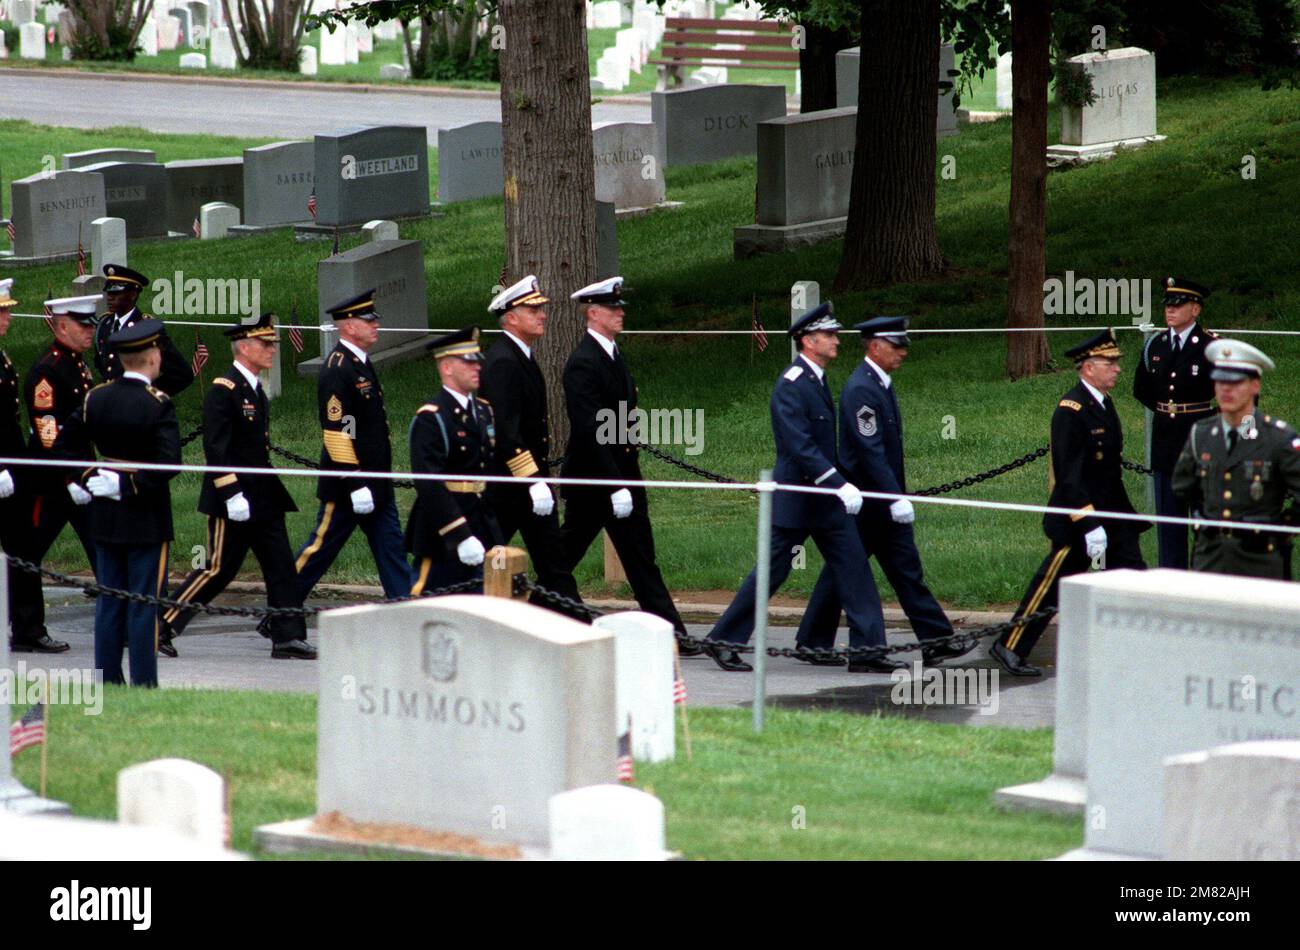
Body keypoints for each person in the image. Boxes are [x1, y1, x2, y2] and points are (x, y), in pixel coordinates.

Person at [703, 303, 896, 674]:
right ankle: (723, 640)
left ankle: (868, 651)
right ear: (809, 341)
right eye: (830, 335)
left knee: (855, 570)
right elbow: (800, 446)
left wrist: (839, 487)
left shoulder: (816, 379)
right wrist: (839, 484)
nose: (837, 341)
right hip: (799, 499)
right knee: (771, 574)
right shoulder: (791, 384)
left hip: (825, 504)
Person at [796, 317, 974, 667]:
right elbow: (869, 450)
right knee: (853, 570)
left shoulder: (877, 383)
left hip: (877, 500)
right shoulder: (862, 388)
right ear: (874, 346)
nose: (902, 352)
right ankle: (827, 642)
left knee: (893, 569)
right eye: (896, 346)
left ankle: (933, 640)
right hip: (870, 502)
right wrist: (894, 497)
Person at [991, 329, 1149, 677]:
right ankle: (1009, 645)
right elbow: (1069, 474)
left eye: (1116, 363)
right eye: (1109, 363)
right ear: (1088, 367)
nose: (1117, 369)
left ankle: (1143, 651)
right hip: (1080, 520)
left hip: (1113, 515)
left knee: (1135, 578)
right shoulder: (1071, 409)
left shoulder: (1104, 405)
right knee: (1050, 588)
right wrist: (1089, 523)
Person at [159, 313, 316, 660]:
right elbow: (216, 448)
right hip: (233, 498)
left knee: (280, 566)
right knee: (218, 569)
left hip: (263, 497)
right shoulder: (223, 390)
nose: (272, 349)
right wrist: (231, 493)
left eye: (273, 343)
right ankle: (162, 624)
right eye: (265, 343)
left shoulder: (253, 389)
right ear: (244, 347)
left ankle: (288, 636)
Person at [558, 277, 693, 647]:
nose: (620, 314)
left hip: (621, 475)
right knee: (564, 557)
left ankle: (672, 633)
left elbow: (621, 420)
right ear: (593, 312)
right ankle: (538, 610)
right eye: (613, 309)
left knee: (640, 558)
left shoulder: (612, 354)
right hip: (594, 481)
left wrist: (627, 478)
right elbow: (590, 429)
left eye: (620, 308)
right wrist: (615, 484)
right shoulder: (583, 363)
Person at [56, 320, 179, 687]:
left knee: (109, 602)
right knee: (142, 604)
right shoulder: (157, 404)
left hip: (105, 517)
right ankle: (144, 684)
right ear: (153, 357)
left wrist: (90, 478)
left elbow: (62, 447)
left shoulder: (97, 397)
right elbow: (169, 463)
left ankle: (109, 681)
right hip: (146, 519)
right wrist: (129, 484)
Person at [290, 290, 413, 602]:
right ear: (347, 326)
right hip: (347, 486)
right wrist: (356, 482)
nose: (376, 324)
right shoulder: (338, 368)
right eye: (367, 319)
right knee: (319, 551)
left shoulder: (360, 363)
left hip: (376, 482)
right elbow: (337, 431)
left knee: (392, 550)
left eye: (375, 318)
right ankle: (279, 608)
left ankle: (407, 614)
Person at [479, 275, 587, 619]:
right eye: (532, 308)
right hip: (508, 485)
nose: (542, 314)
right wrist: (532, 479)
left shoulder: (519, 357)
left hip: (524, 483)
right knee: (475, 561)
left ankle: (576, 621)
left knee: (553, 561)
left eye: (541, 308)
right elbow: (506, 432)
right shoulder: (503, 363)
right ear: (510, 317)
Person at [8, 295, 103, 654]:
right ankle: (27, 629)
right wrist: (69, 478)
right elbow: (47, 432)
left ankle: (122, 624)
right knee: (27, 554)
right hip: (51, 483)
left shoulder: (78, 364)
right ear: (62, 325)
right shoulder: (47, 369)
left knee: (102, 546)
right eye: (83, 324)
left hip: (80, 475)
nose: (90, 331)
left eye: (92, 324)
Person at [1172, 340, 1300, 579]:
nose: (1226, 390)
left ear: (1255, 385)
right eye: (1221, 382)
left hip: (1259, 559)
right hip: (1210, 556)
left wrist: (1281, 527)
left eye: (1235, 383)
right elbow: (1183, 486)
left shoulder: (1277, 438)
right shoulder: (1201, 433)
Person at [405, 327, 502, 594]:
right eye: (468, 362)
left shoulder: (483, 411)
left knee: (485, 604)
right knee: (428, 602)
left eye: (477, 361)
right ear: (447, 367)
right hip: (444, 531)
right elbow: (429, 484)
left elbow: (488, 470)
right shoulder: (432, 417)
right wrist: (459, 535)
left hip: (481, 522)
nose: (477, 367)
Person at [1133, 277, 1217, 568]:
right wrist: (1169, 411)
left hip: (1200, 443)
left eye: (1178, 305)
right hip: (1166, 446)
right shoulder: (1156, 345)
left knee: (1207, 524)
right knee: (1169, 525)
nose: (1170, 310)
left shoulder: (1211, 347)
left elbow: (1239, 397)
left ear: (1195, 309)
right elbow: (1141, 388)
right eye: (1168, 304)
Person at [0, 279, 41, 651]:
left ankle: (26, 628)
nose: (8, 317)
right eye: (2, 312)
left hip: (12, 465)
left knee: (23, 546)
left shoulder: (2, 357)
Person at [92, 265, 194, 396]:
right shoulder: (104, 325)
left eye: (116, 293)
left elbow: (182, 373)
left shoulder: (146, 329)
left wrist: (148, 394)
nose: (110, 297)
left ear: (133, 295)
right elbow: (102, 366)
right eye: (109, 293)